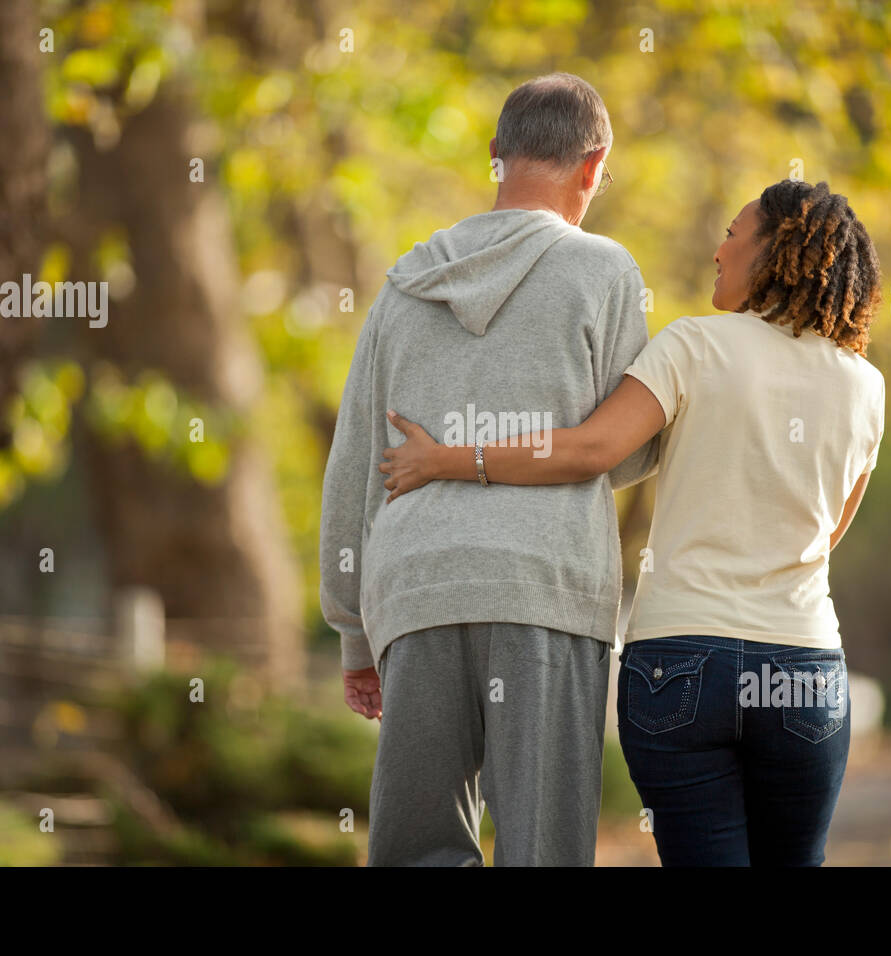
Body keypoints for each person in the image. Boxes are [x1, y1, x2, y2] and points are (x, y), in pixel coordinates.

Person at [380, 179, 885, 866]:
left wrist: (448, 458)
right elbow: (829, 532)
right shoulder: (864, 386)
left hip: (681, 666)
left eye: (734, 234)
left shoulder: (694, 346)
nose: (719, 248)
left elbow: (589, 449)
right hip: (801, 668)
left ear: (774, 252)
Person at [318, 73, 658, 866]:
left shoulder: (404, 285)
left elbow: (353, 468)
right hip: (546, 588)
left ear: (497, 156)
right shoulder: (604, 271)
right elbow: (625, 444)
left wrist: (351, 631)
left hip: (416, 588)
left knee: (415, 848)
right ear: (593, 163)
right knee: (544, 844)